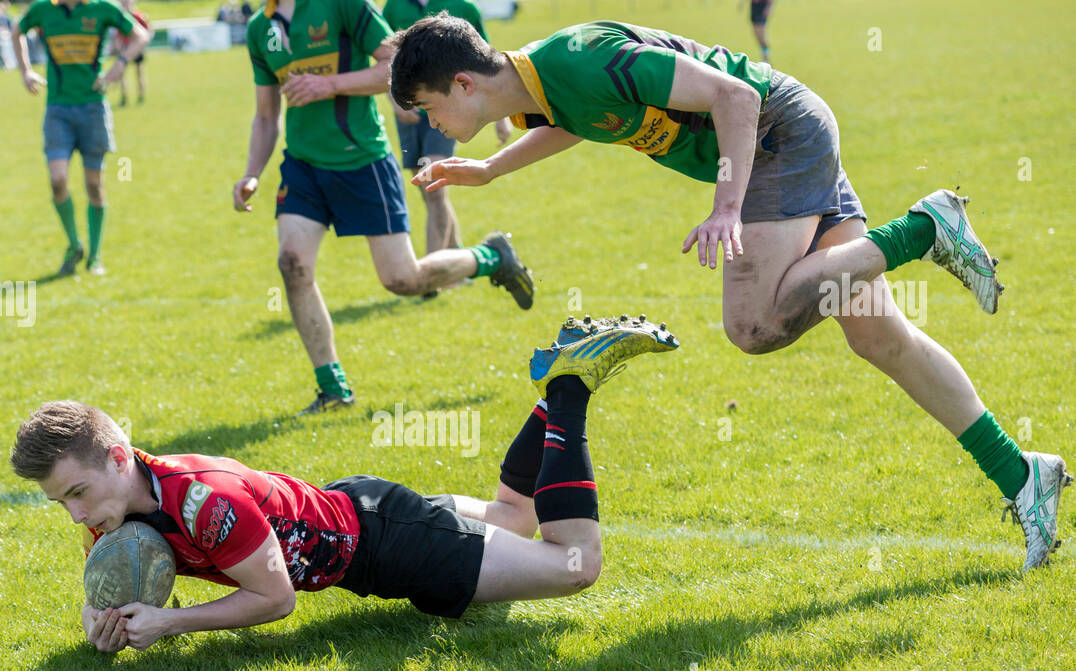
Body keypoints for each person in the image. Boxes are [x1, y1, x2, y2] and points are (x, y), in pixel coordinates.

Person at [389, 16, 1070, 571]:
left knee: (755, 323)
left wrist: (726, 207)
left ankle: (923, 229)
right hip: (786, 138)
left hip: (777, 137)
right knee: (878, 335)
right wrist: (490, 167)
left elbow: (736, 98)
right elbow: (582, 119)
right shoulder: (546, 82)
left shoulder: (576, 59)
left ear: (462, 83)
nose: (429, 124)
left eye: (426, 109)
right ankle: (1022, 472)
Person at [8, 316, 677, 650]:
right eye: (61, 500)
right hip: (362, 512)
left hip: (391, 543)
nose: (75, 516)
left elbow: (275, 600)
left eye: (76, 493)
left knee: (572, 563)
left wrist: (171, 623)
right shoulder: (112, 511)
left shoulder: (203, 500)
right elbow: (113, 588)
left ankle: (568, 388)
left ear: (119, 457)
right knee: (515, 516)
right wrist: (105, 621)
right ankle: (553, 390)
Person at [234, 0, 535, 416]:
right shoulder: (257, 29)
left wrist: (331, 84)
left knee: (403, 279)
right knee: (292, 264)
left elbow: (395, 67)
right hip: (302, 165)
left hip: (362, 163)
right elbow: (267, 116)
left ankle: (488, 257)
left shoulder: (341, 6)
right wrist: (252, 172)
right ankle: (333, 387)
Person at [12, 0, 150, 276]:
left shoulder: (102, 8)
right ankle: (75, 244)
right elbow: (17, 30)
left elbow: (141, 35)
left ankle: (95, 255)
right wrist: (25, 70)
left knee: (94, 186)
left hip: (93, 108)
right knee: (58, 179)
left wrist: (120, 63)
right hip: (57, 109)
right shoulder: (43, 9)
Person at [381, 0, 512, 271]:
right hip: (411, 111)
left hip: (449, 107)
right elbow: (387, 57)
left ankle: (433, 273)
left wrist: (502, 118)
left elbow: (489, 65)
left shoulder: (464, 7)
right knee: (427, 187)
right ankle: (456, 256)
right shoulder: (393, 6)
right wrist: (395, 100)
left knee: (433, 183)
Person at [112, 0, 149, 106]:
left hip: (136, 49)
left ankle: (141, 96)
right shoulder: (121, 17)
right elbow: (118, 34)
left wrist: (140, 46)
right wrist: (118, 46)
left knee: (139, 73)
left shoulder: (138, 16)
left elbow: (146, 31)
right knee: (122, 74)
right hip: (125, 49)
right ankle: (124, 97)